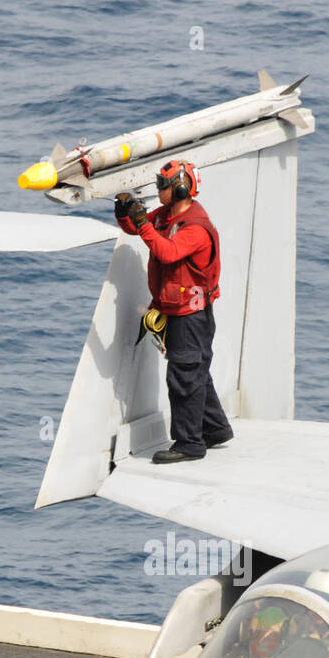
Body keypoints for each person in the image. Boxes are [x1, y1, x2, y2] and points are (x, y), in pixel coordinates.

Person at [114, 158, 233, 463]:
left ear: (179, 189)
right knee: (195, 373)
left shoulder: (195, 227)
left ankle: (190, 444)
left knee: (184, 378)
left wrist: (142, 224)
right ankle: (215, 428)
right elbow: (137, 228)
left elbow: (167, 253)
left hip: (191, 316)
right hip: (180, 311)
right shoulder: (166, 215)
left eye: (162, 186)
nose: (158, 190)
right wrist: (125, 210)